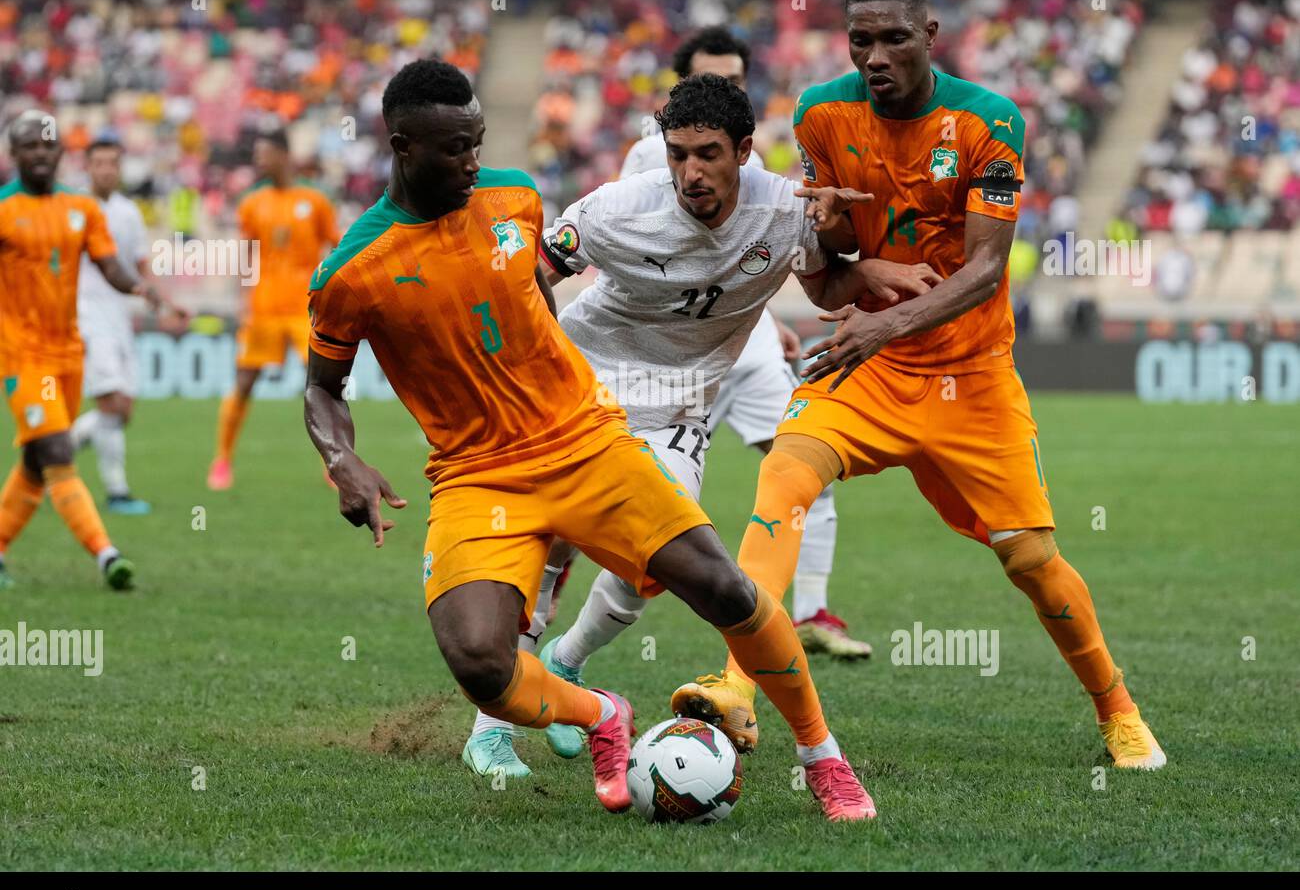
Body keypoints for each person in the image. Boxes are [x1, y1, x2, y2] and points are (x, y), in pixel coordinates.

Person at [303, 59, 876, 820]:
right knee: (480, 660)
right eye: (454, 150)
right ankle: (600, 714)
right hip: (477, 474)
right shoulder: (353, 271)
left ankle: (824, 759)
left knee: (723, 588)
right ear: (403, 146)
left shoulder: (514, 197)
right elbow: (321, 385)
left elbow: (533, 290)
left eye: (478, 142)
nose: (475, 163)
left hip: (583, 438)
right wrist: (344, 462)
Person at [671, 0, 1167, 772]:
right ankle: (735, 687)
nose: (874, 57)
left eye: (893, 38)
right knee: (785, 473)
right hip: (867, 369)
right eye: (858, 40)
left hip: (969, 375)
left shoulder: (988, 121)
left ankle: (1117, 707)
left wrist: (880, 323)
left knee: (1032, 560)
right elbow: (828, 291)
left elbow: (982, 270)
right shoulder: (822, 118)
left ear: (930, 32)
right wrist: (831, 252)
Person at [460, 74, 934, 777]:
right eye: (677, 153)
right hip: (584, 384)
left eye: (707, 153)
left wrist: (868, 274)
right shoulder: (615, 210)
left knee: (649, 570)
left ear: (744, 150)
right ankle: (491, 726)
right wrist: (544, 368)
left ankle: (564, 663)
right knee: (549, 547)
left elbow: (823, 283)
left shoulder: (784, 210)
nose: (690, 171)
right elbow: (530, 276)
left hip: (680, 402)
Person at [618, 27, 869, 659]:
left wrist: (769, 315)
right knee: (631, 508)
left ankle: (811, 612)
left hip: (747, 342)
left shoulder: (744, 157)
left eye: (735, 78)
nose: (728, 87)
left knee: (802, 464)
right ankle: (553, 631)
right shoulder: (655, 160)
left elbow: (760, 249)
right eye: (713, 77)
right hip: (666, 355)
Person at [0, 112, 184, 590]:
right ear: (14, 155)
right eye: (29, 146)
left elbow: (111, 269)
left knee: (36, 463)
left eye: (47, 146)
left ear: (60, 154)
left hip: (69, 355)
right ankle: (107, 555)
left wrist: (148, 292)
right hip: (23, 356)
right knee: (59, 452)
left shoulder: (82, 210)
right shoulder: (3, 209)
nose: (40, 154)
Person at [208, 128, 338, 490]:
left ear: (283, 154)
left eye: (263, 153)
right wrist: (243, 300)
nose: (257, 160)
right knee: (245, 383)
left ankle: (333, 464)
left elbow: (337, 246)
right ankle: (222, 460)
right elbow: (247, 256)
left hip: (303, 310)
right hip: (263, 309)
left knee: (320, 386)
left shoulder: (314, 201)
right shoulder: (252, 203)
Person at [71, 133, 154, 514]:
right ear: (87, 167)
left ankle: (52, 450)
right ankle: (117, 491)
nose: (106, 170)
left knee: (123, 410)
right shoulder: (72, 208)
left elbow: (139, 265)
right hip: (85, 313)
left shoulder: (129, 212)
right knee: (111, 401)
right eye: (98, 162)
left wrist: (159, 300)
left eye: (112, 163)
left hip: (119, 316)